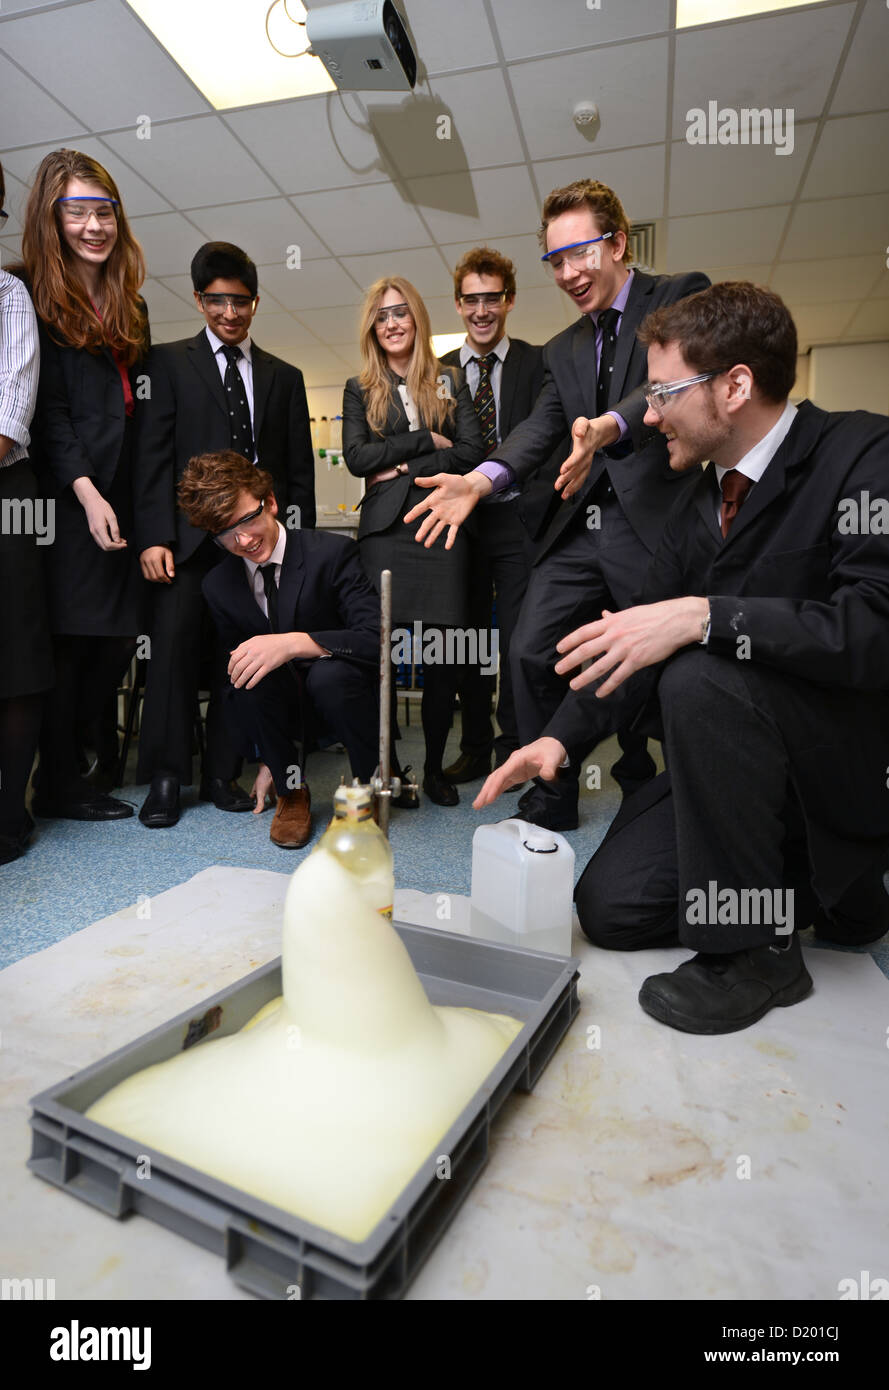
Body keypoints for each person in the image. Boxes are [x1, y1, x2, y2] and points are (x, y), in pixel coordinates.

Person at [478, 281, 889, 1034]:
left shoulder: (861, 453)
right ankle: (823, 891)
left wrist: (705, 616)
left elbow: (871, 629)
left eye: (663, 391)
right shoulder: (701, 504)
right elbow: (632, 645)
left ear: (734, 386)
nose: (649, 413)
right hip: (728, 776)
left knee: (700, 668)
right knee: (611, 908)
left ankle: (757, 952)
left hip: (825, 765)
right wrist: (556, 740)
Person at [405, 179, 710, 829]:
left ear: (618, 244)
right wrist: (480, 480)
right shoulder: (563, 348)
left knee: (654, 663)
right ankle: (553, 786)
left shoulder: (677, 293)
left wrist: (608, 426)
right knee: (527, 648)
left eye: (580, 253)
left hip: (651, 521)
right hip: (577, 525)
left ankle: (675, 787)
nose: (568, 273)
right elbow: (540, 428)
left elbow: (671, 379)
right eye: (555, 261)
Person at [133, 241, 316, 829]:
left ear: (255, 302)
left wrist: (297, 545)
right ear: (198, 300)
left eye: (240, 301)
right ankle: (165, 777)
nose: (230, 313)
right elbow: (153, 458)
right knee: (173, 658)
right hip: (187, 544)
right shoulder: (166, 364)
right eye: (217, 301)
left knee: (239, 661)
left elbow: (297, 469)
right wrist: (153, 536)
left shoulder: (285, 378)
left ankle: (221, 773)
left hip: (257, 547)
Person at [21, 148, 149, 821]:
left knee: (119, 638)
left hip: (123, 496)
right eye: (79, 211)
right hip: (69, 503)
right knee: (71, 643)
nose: (96, 225)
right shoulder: (33, 297)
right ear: (53, 216)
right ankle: (60, 784)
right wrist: (87, 492)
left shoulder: (131, 305)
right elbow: (50, 415)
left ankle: (76, 766)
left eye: (105, 210)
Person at [177, 450, 380, 849]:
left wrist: (294, 643)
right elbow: (233, 680)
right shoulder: (218, 585)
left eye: (248, 520)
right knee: (246, 670)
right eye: (224, 533)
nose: (243, 540)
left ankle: (367, 782)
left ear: (270, 503)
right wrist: (269, 754)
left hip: (343, 695)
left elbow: (377, 639)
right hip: (283, 709)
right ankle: (293, 791)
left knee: (328, 673)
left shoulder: (332, 554)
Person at [342, 276, 484, 806]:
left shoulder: (448, 380)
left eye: (401, 312)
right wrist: (423, 442)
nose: (393, 323)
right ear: (373, 328)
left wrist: (398, 465)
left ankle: (434, 768)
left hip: (444, 526)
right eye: (382, 316)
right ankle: (390, 770)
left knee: (442, 657)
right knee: (381, 656)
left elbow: (472, 452)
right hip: (385, 534)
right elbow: (357, 458)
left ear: (417, 317)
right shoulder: (361, 388)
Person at [438, 246, 566, 785]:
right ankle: (475, 745)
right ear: (459, 304)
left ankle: (515, 744)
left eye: (492, 298)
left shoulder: (540, 363)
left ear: (509, 300)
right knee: (465, 637)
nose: (482, 310)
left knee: (518, 639)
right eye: (472, 300)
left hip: (519, 524)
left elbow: (548, 436)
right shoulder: (437, 373)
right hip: (461, 527)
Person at [0, 161, 54, 862]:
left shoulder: (8, 296)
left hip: (6, 501)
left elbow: (8, 421)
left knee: (13, 660)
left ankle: (10, 813)